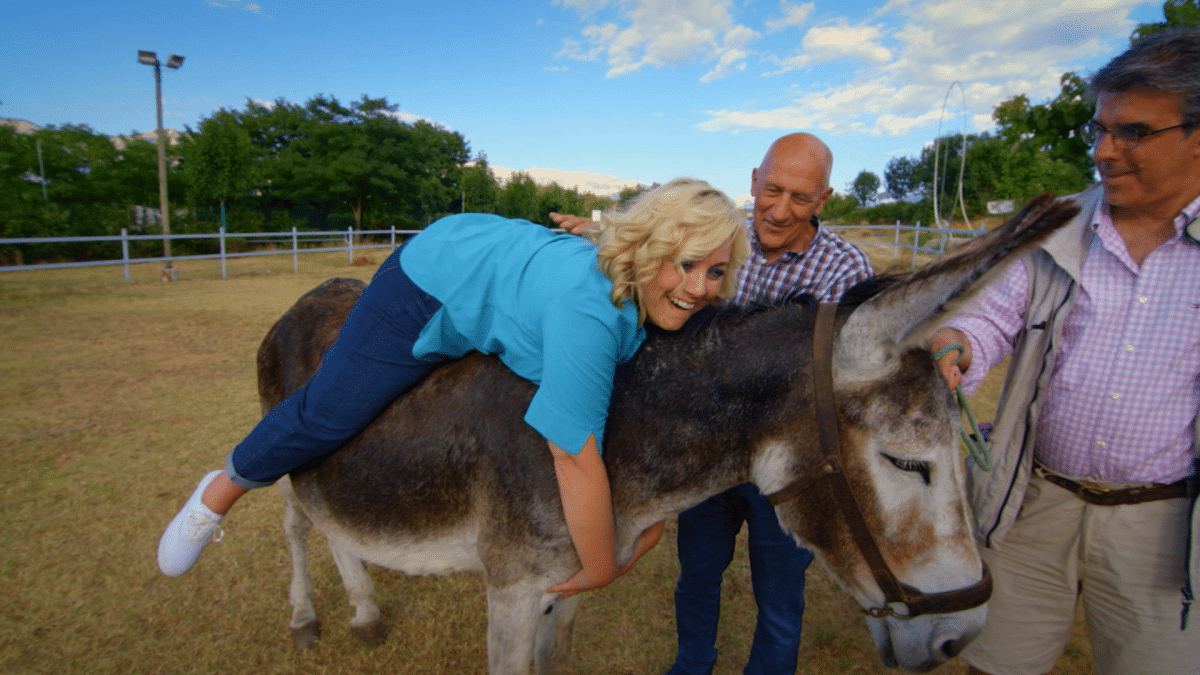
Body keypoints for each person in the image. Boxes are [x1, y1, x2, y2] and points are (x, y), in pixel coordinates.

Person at [157, 178, 750, 600]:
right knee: (331, 411)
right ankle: (221, 490)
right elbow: (572, 454)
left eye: (715, 270)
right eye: (684, 264)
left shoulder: (644, 286)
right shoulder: (589, 317)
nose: (699, 288)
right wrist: (600, 565)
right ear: (646, 255)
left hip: (496, 254)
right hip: (435, 275)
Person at [931, 29, 1200, 675]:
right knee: (996, 661)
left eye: (1133, 132)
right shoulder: (1059, 227)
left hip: (1164, 523)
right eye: (1100, 129)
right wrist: (956, 345)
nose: (1105, 151)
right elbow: (990, 313)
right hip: (1034, 498)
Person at [554, 132, 874, 674]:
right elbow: (653, 258)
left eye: (800, 198)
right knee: (697, 574)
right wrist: (604, 233)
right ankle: (691, 665)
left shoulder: (845, 271)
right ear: (753, 181)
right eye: (772, 190)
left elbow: (857, 371)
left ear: (823, 200)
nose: (779, 209)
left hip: (787, 466)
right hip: (707, 455)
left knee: (780, 592)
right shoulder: (715, 241)